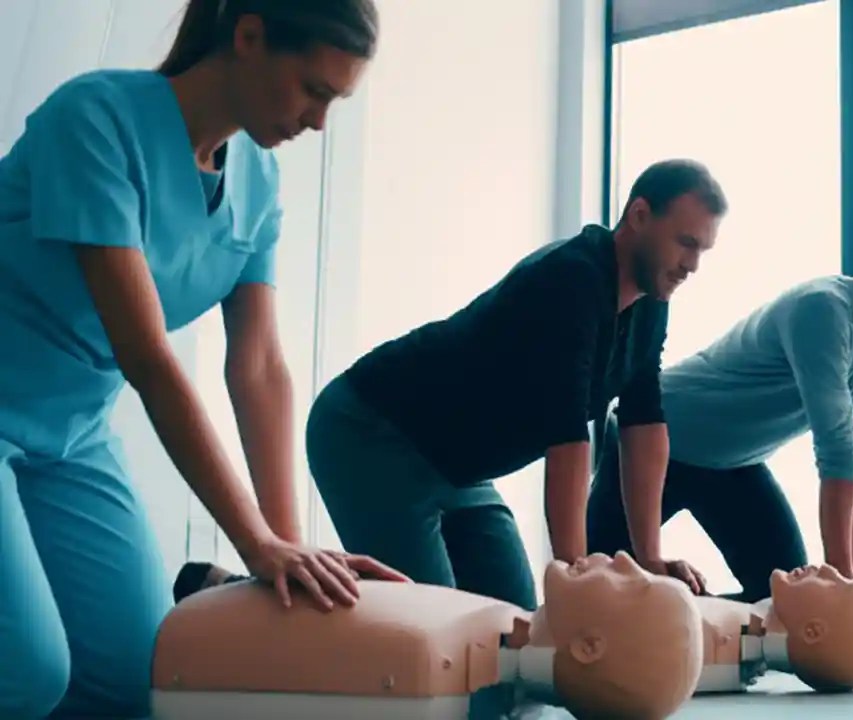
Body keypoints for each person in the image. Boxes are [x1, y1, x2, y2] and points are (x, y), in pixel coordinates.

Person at [0, 2, 411, 717]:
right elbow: (149, 356)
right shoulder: (94, 120)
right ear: (248, 36)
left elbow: (257, 368)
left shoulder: (260, 183)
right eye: (313, 90)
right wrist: (252, 541)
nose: (318, 122)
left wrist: (288, 547)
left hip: (70, 435)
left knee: (132, 680)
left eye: (335, 101)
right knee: (29, 674)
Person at [304, 159, 727, 612]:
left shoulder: (650, 303)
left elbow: (643, 423)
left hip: (458, 470)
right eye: (685, 243)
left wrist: (650, 559)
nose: (692, 266)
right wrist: (578, 573)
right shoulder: (573, 278)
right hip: (370, 432)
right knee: (437, 632)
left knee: (514, 630)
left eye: (703, 250)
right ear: (640, 216)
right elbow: (566, 439)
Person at [587, 209, 853, 603]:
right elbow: (838, 447)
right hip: (658, 437)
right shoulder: (824, 309)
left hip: (734, 463)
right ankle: (664, 600)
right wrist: (842, 579)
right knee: (593, 594)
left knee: (788, 599)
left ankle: (680, 607)